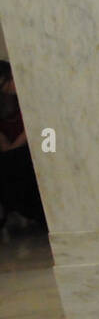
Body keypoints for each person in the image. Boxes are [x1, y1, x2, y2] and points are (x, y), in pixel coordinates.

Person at [0, 61, 45, 230]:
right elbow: (3, 139)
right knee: (9, 166)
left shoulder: (27, 96)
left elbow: (33, 128)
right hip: (16, 150)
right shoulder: (4, 105)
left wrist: (12, 151)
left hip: (35, 143)